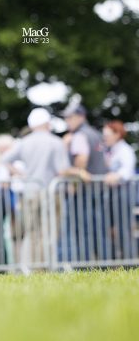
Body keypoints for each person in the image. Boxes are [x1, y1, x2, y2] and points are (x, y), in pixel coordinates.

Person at [1, 108, 70, 268]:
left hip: (30, 191)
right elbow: (62, 170)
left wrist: (21, 174)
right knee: (49, 231)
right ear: (47, 123)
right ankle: (45, 266)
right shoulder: (55, 142)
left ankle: (30, 267)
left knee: (31, 233)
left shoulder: (24, 142)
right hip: (51, 191)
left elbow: (4, 159)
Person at [60, 104, 109, 262]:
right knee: (98, 229)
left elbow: (81, 159)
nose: (67, 121)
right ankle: (105, 264)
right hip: (98, 188)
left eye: (70, 117)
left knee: (82, 231)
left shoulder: (79, 135)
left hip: (83, 190)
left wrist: (73, 175)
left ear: (81, 117)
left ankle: (84, 264)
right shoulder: (95, 134)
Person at [102, 120, 137, 260]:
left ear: (117, 135)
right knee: (110, 229)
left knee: (124, 229)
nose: (105, 138)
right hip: (111, 194)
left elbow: (128, 170)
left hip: (123, 194)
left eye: (107, 135)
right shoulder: (108, 150)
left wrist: (116, 176)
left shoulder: (125, 150)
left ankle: (130, 261)